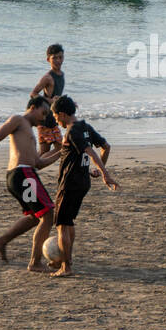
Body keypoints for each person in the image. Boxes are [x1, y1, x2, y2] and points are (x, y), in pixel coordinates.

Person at [0, 95, 61, 271]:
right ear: (33, 107)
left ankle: (2, 241)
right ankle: (35, 262)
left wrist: (61, 151)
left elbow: (39, 163)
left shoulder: (30, 131)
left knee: (35, 217)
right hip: (22, 174)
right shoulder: (18, 120)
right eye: (43, 113)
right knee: (48, 215)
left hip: (25, 174)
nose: (43, 118)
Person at [46, 95, 120, 277]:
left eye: (56, 117)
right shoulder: (85, 127)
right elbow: (106, 146)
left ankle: (66, 267)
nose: (56, 121)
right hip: (82, 182)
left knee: (62, 224)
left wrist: (104, 173)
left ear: (62, 114)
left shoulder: (72, 131)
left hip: (70, 183)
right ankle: (66, 261)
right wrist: (94, 171)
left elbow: (90, 151)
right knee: (68, 222)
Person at [31, 44, 66, 151]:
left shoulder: (62, 74)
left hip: (54, 118)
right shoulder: (48, 77)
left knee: (55, 149)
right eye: (54, 58)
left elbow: (58, 97)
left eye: (60, 57)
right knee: (59, 149)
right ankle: (32, 166)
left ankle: (33, 166)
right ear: (48, 59)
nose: (58, 60)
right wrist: (50, 100)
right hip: (45, 119)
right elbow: (33, 93)